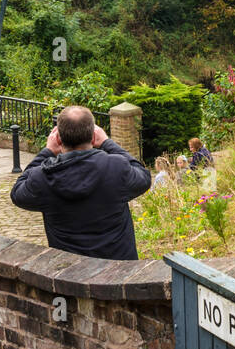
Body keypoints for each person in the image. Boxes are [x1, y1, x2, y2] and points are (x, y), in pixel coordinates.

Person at [10, 106, 151, 260]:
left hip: (70, 270)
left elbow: (18, 192)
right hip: (119, 267)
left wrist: (47, 151)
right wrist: (107, 142)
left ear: (58, 139)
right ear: (92, 138)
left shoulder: (42, 177)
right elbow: (143, 176)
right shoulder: (116, 167)